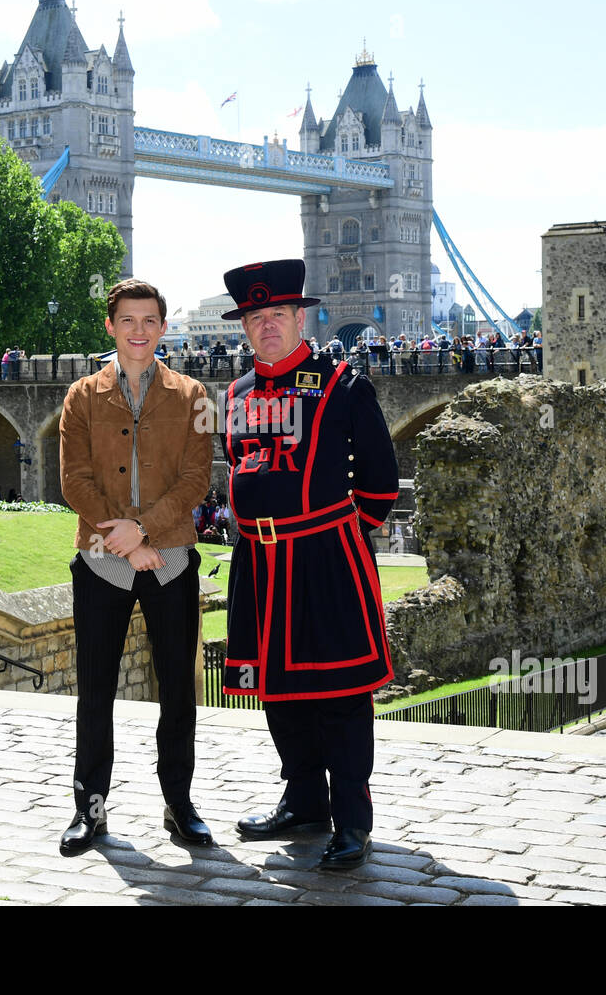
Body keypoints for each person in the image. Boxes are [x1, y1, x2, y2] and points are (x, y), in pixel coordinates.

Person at [218, 258, 398, 870]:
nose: (266, 326)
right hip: (258, 560)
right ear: (245, 327)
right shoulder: (236, 394)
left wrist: (334, 537)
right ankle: (303, 803)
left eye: (277, 314)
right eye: (255, 318)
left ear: (300, 316)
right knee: (277, 688)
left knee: (341, 692)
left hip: (326, 558)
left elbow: (379, 483)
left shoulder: (344, 384)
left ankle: (351, 820)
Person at [57, 278, 214, 856]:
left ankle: (180, 804)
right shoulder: (81, 396)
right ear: (110, 326)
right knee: (95, 690)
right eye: (128, 320)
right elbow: (74, 480)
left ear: (164, 327)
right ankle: (89, 809)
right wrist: (126, 541)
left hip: (169, 558)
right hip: (103, 560)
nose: (139, 330)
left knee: (178, 691)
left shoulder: (193, 395)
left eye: (150, 320)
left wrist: (143, 530)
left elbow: (196, 478)